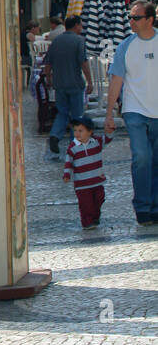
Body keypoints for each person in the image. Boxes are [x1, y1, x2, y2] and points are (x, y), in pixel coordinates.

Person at [105, 0, 158, 224]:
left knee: (155, 160)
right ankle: (143, 206)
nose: (131, 21)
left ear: (150, 20)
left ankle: (155, 206)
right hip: (134, 111)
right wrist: (109, 113)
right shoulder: (126, 46)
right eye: (130, 17)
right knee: (141, 157)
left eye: (136, 18)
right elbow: (116, 79)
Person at [44, 15, 92, 155]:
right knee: (77, 115)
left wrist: (48, 79)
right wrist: (90, 81)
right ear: (76, 25)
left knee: (62, 113)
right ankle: (74, 144)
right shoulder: (79, 41)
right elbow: (83, 63)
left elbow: (48, 63)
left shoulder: (56, 41)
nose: (81, 28)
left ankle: (55, 135)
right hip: (75, 83)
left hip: (59, 83)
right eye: (81, 25)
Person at [62, 116, 112, 230]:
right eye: (75, 130)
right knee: (85, 204)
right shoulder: (73, 147)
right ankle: (87, 221)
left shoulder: (96, 142)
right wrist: (66, 175)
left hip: (97, 180)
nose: (77, 133)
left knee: (99, 198)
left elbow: (107, 139)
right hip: (82, 184)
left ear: (90, 132)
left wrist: (110, 131)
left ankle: (95, 217)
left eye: (80, 131)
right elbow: (68, 162)